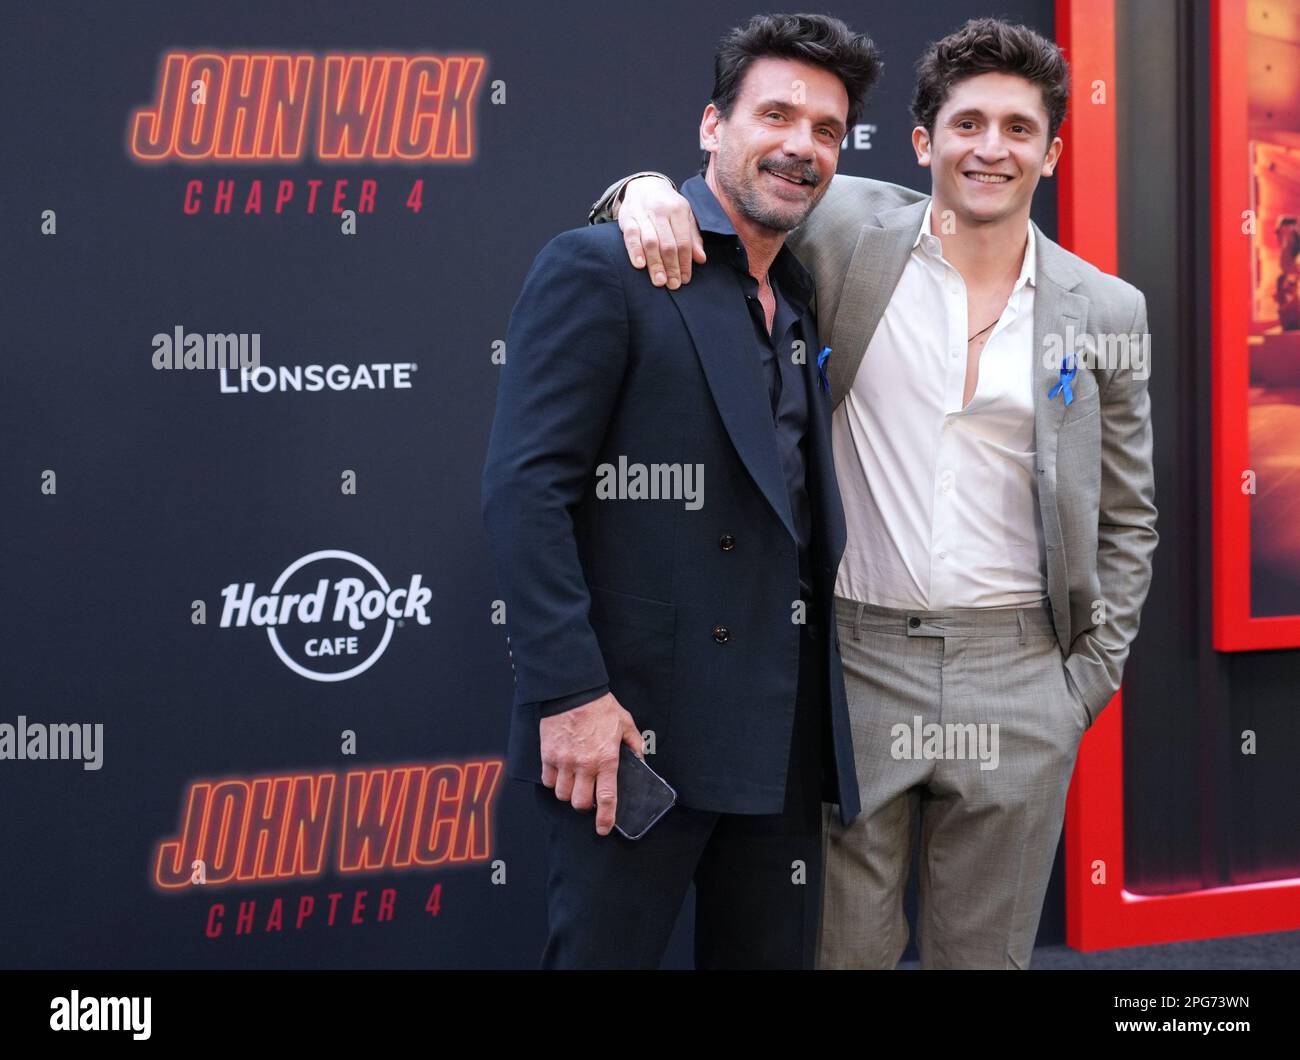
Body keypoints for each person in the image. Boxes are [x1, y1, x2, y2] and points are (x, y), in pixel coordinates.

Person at [589, 17, 1158, 969]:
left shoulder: (1106, 309)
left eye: (1019, 129)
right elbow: (727, 184)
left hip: (1022, 675)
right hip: (852, 665)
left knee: (984, 960)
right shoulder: (847, 223)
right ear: (924, 143)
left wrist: (1082, 683)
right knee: (836, 952)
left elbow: (1130, 512)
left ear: (1053, 152)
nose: (992, 148)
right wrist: (641, 189)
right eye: (968, 124)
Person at [481, 13, 883, 969]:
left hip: (780, 730)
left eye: (826, 130)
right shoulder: (606, 265)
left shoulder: (804, 291)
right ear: (712, 125)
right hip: (633, 732)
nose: (801, 146)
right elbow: (524, 490)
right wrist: (570, 695)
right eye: (775, 115)